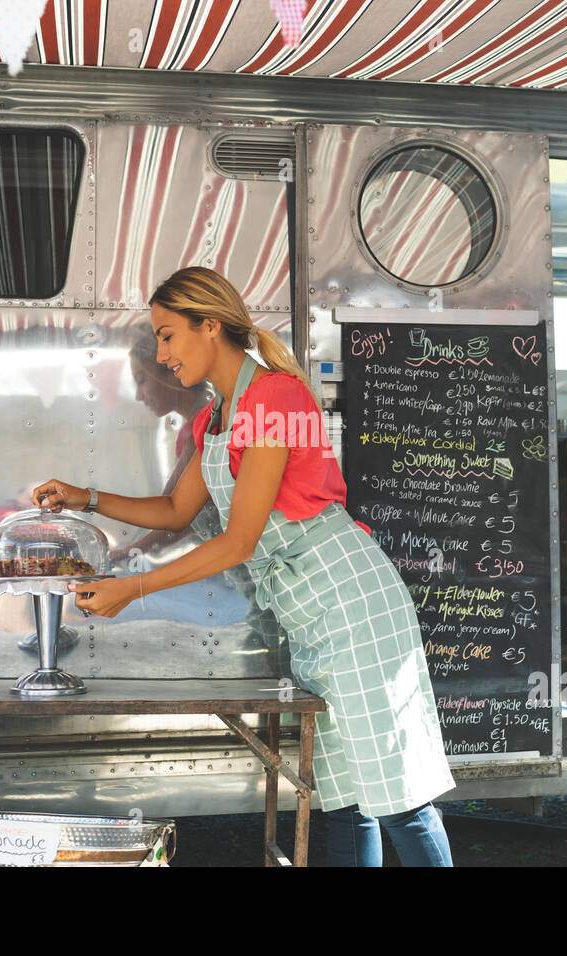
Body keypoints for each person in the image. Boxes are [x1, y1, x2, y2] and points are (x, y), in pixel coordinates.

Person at [33, 266, 455, 867]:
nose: (163, 354)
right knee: (341, 798)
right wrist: (86, 496)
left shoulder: (277, 396)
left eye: (169, 335)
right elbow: (177, 511)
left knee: (398, 796)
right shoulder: (215, 418)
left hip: (353, 603)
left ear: (210, 325)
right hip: (312, 611)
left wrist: (133, 588)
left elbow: (238, 542)